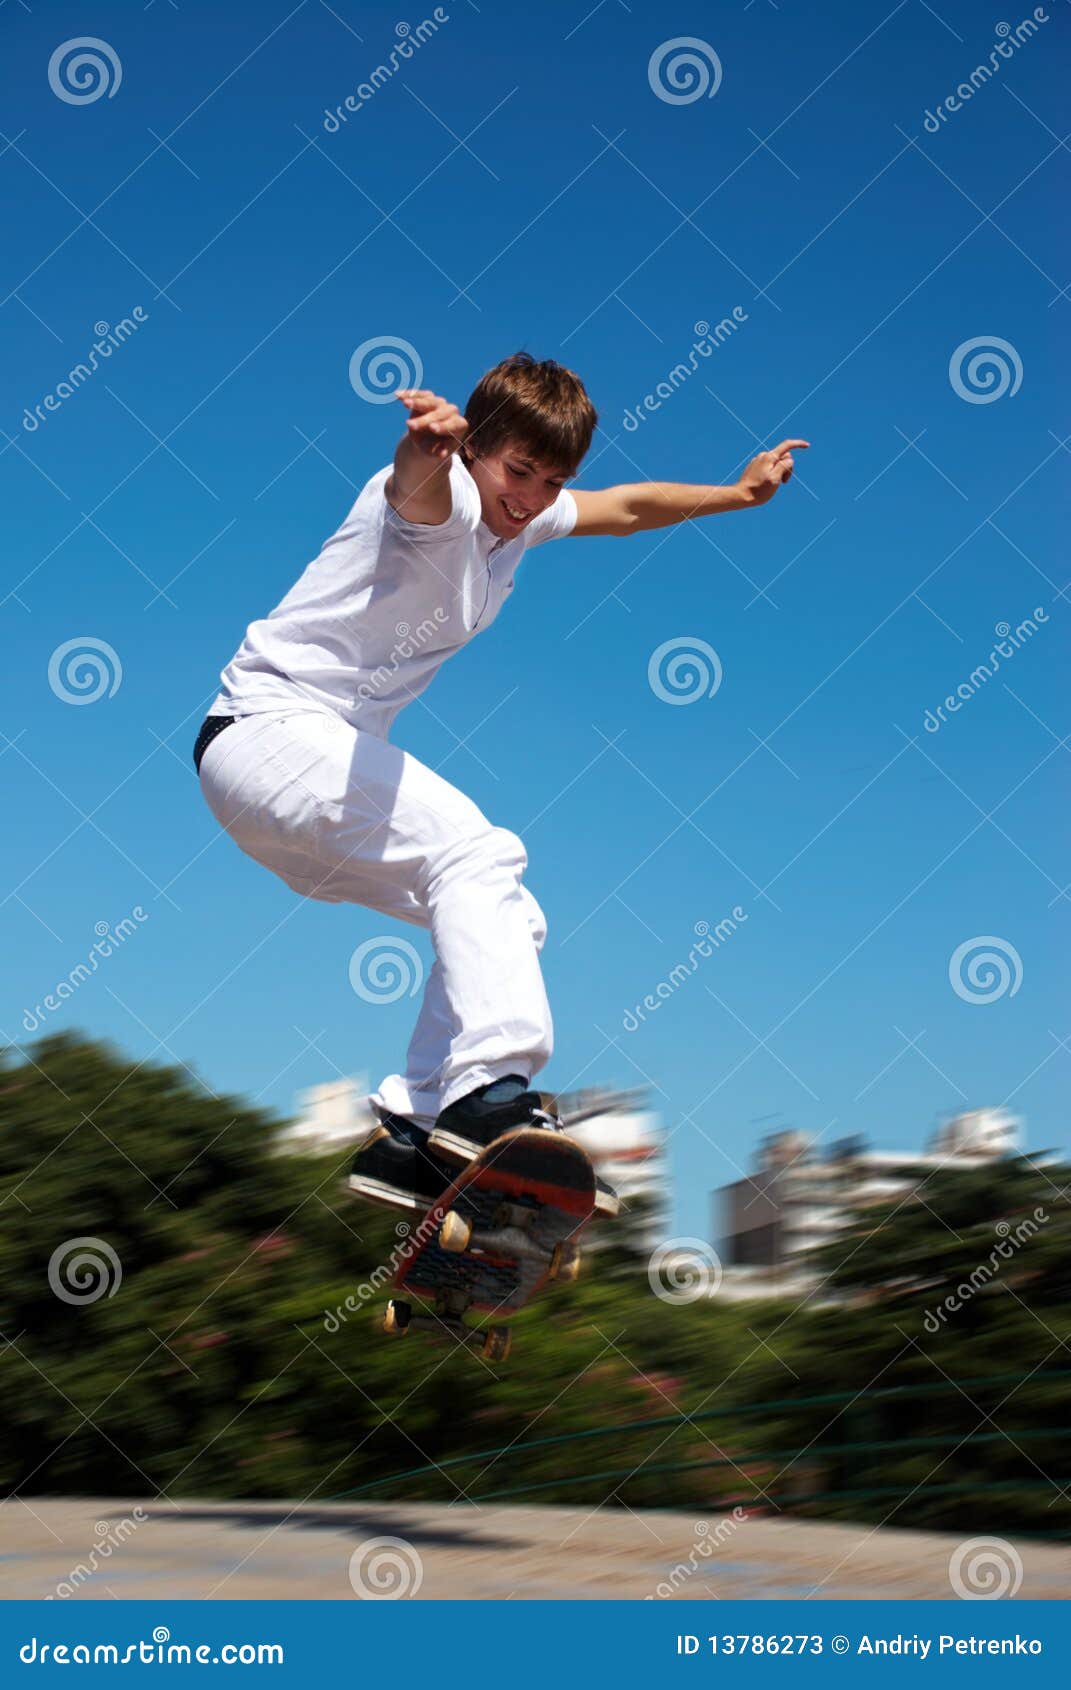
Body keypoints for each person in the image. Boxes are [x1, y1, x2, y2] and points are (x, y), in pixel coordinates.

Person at [194, 352, 806, 1214]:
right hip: (267, 737)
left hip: (302, 795)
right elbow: (417, 487)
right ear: (474, 447)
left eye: (551, 479)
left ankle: (410, 1138)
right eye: (516, 470)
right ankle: (488, 1101)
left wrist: (736, 495)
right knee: (477, 853)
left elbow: (626, 508)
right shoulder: (427, 500)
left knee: (507, 918)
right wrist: (422, 449)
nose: (528, 496)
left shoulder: (527, 516)